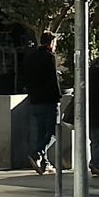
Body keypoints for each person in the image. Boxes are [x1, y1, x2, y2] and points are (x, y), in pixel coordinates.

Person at [23, 31, 61, 174]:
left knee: (40, 132)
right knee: (52, 133)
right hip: (49, 100)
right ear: (51, 43)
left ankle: (44, 163)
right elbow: (52, 80)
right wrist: (58, 97)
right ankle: (37, 153)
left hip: (35, 100)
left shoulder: (31, 57)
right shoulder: (49, 57)